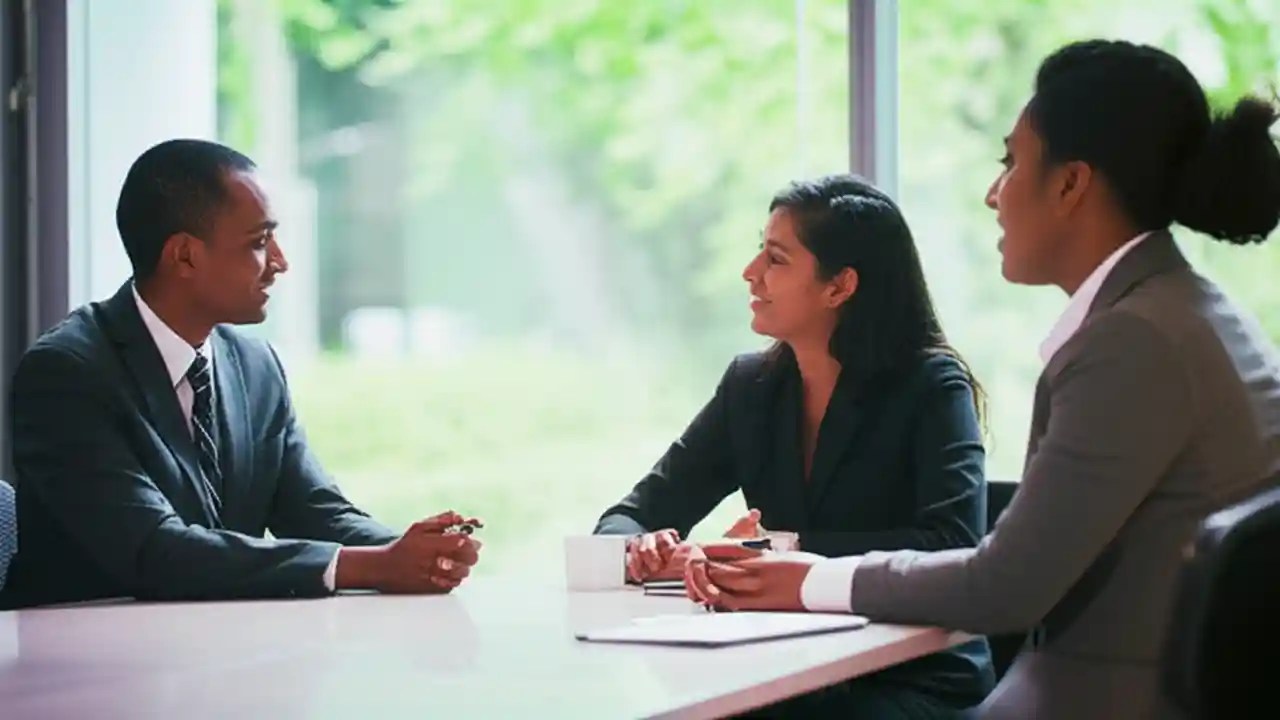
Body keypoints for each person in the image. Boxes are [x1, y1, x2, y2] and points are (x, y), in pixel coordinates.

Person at [684, 40, 1280, 720]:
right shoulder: (1193, 313)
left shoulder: (1133, 342)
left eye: (1010, 163)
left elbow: (1005, 586)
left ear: (1070, 185)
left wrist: (809, 580)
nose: (994, 194)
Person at [0, 139, 481, 609]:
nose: (280, 262)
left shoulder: (255, 365)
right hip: (82, 651)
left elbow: (315, 511)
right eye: (260, 242)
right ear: (184, 255)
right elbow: (153, 549)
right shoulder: (67, 373)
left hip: (215, 643)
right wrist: (373, 566)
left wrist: (413, 552)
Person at [596, 174, 995, 717]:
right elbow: (631, 515)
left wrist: (775, 551)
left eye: (776, 259)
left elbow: (952, 544)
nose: (750, 272)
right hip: (792, 668)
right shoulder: (750, 387)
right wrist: (644, 550)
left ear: (839, 287)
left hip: (911, 677)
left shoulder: (931, 386)